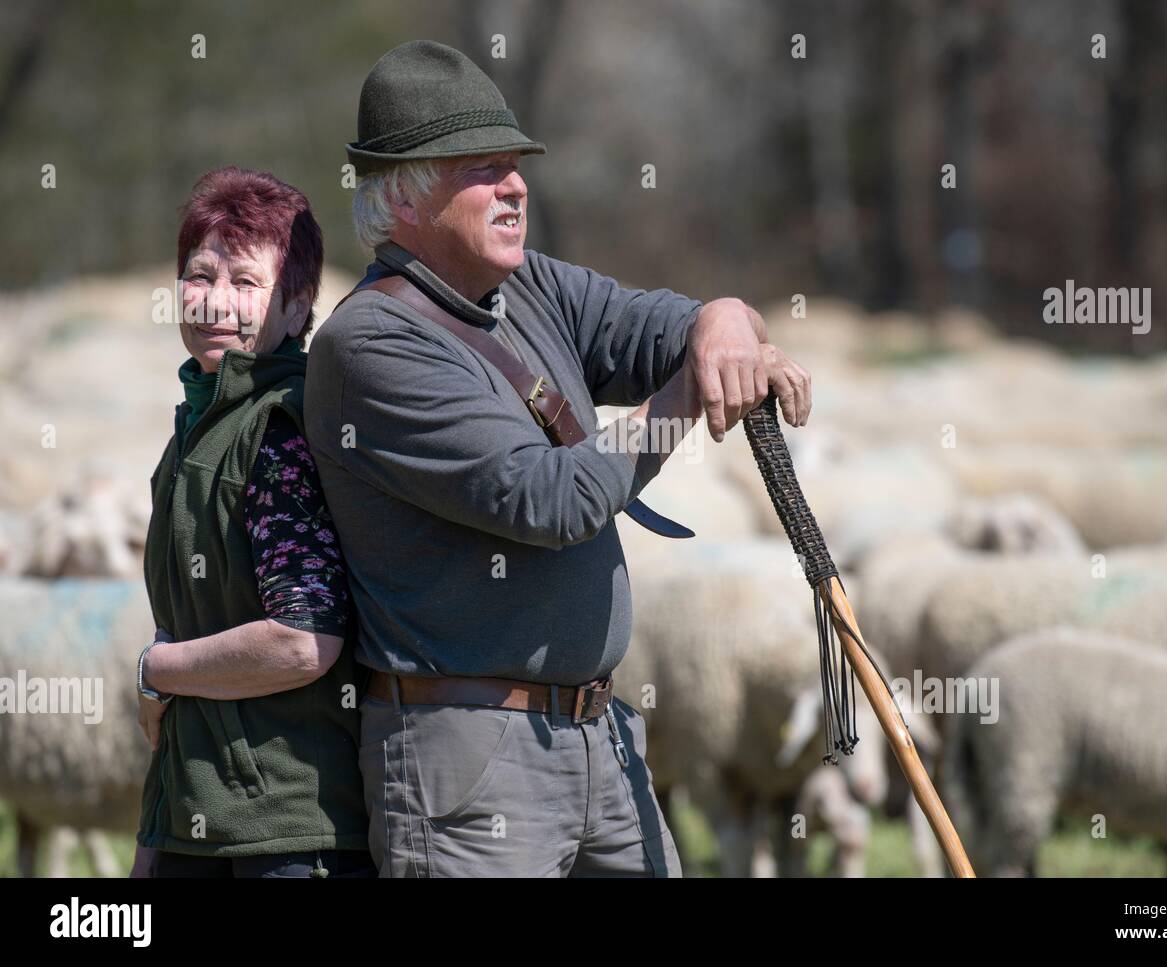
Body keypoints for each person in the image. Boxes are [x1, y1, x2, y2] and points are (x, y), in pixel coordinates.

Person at [306, 41, 812, 877]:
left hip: (600, 739)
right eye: (480, 168)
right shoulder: (370, 345)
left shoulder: (524, 288)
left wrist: (723, 318)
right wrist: (696, 388)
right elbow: (548, 498)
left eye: (516, 164)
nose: (515, 186)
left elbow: (654, 325)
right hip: (470, 765)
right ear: (402, 195)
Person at [131, 167, 373, 877]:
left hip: (286, 831)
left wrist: (156, 669)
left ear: (297, 311)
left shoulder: (279, 432)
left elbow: (304, 640)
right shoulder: (199, 431)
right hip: (201, 815)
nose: (214, 302)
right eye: (200, 275)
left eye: (245, 282)